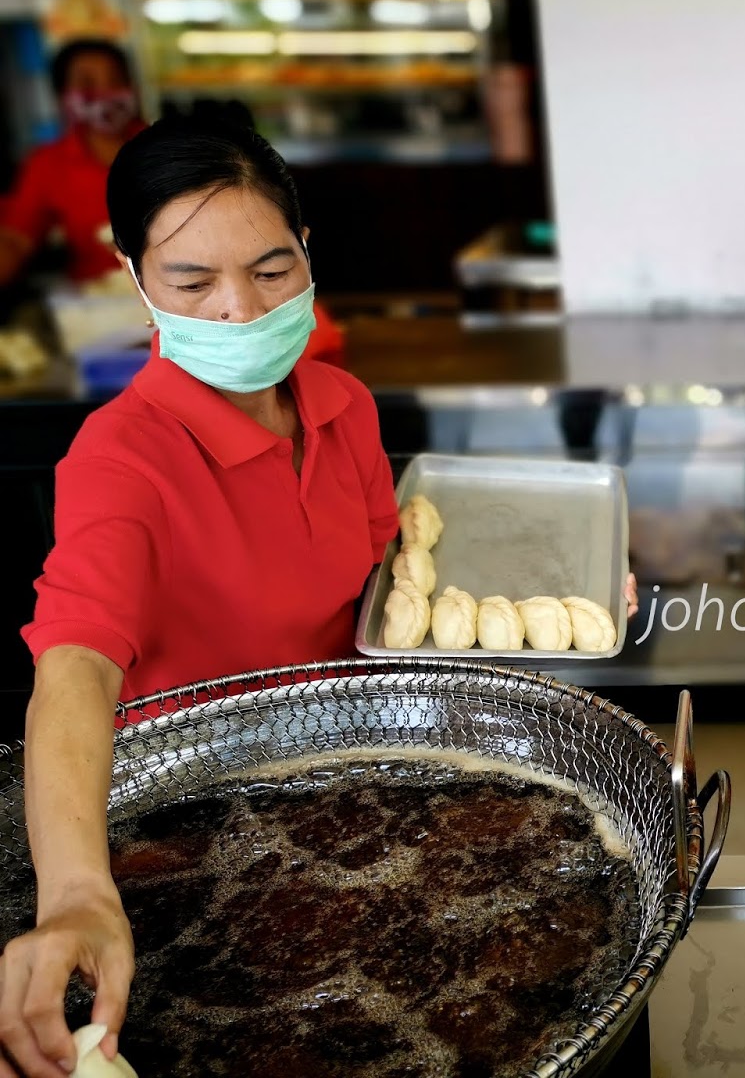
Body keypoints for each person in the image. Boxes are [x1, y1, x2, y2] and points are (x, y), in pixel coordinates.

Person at [0, 112, 637, 1076]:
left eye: (270, 269)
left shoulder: (344, 408)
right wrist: (78, 894)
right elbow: (76, 664)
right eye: (192, 282)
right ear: (135, 279)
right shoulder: (121, 459)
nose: (239, 310)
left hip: (362, 803)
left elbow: (385, 601)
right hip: (205, 838)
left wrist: (555, 590)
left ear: (306, 251)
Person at [0, 39, 145, 288]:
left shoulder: (170, 148)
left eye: (115, 80)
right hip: (95, 301)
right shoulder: (48, 164)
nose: (105, 92)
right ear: (62, 95)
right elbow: (16, 240)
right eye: (87, 83)